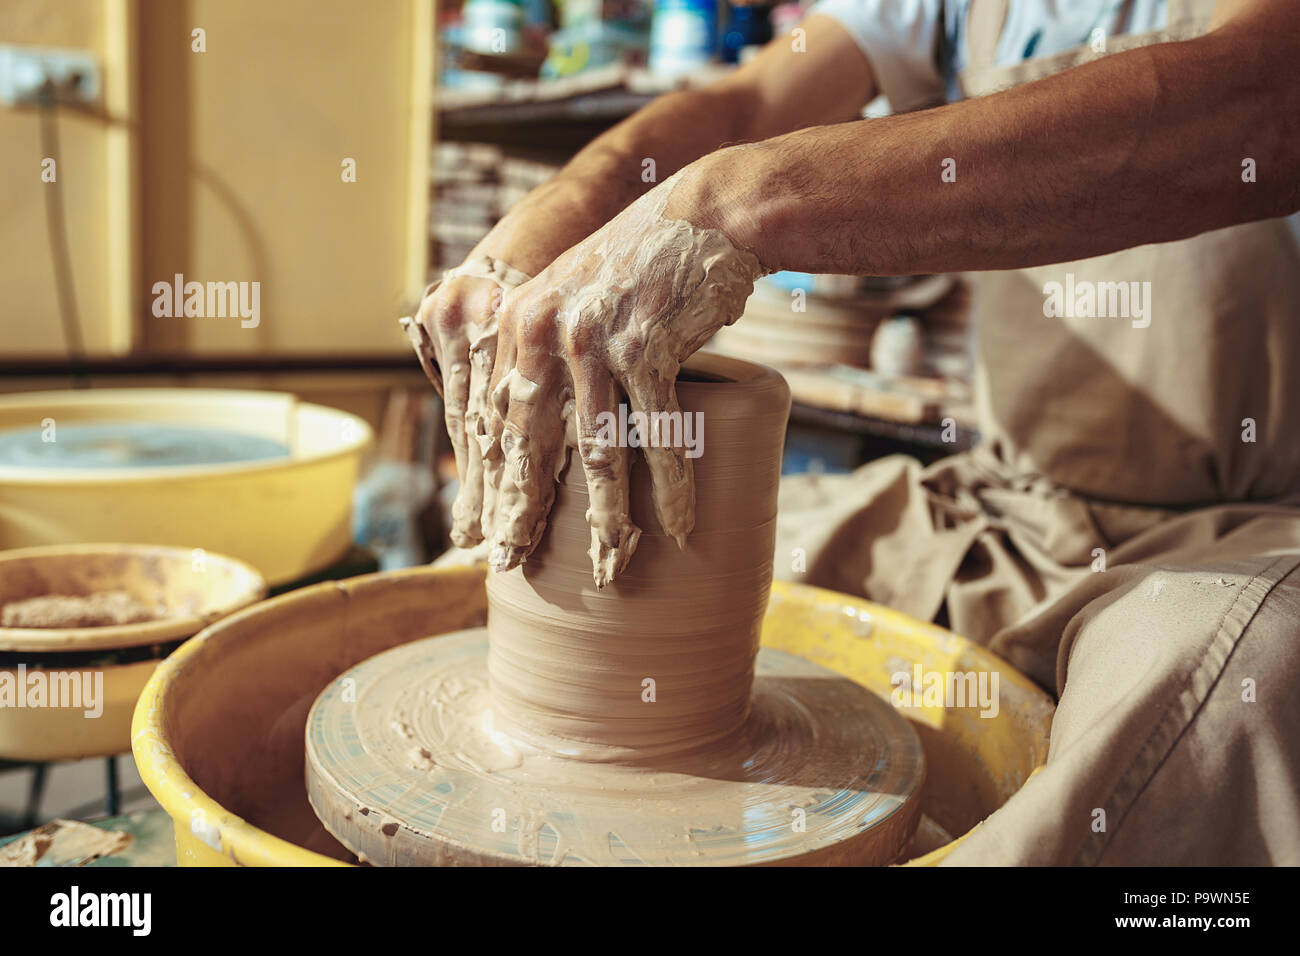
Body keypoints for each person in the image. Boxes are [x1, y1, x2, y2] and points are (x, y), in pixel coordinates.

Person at [406, 0, 1300, 864]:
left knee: (1212, 678)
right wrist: (553, 221)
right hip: (1010, 508)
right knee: (516, 583)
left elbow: (1264, 96)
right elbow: (750, 99)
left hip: (1259, 528)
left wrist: (741, 203)